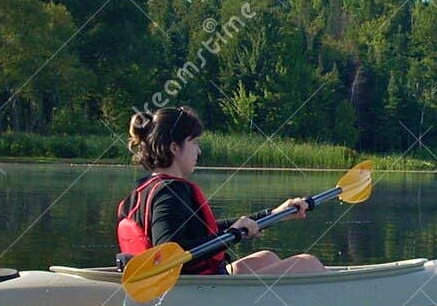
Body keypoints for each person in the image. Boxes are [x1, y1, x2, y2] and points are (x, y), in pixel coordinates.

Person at [118, 106, 326, 276]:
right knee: (308, 264)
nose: (198, 150)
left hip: (195, 281)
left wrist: (273, 214)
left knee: (266, 258)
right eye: (193, 142)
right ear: (174, 148)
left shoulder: (144, 190)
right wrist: (230, 234)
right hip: (192, 290)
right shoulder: (170, 193)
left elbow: (200, 231)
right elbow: (167, 254)